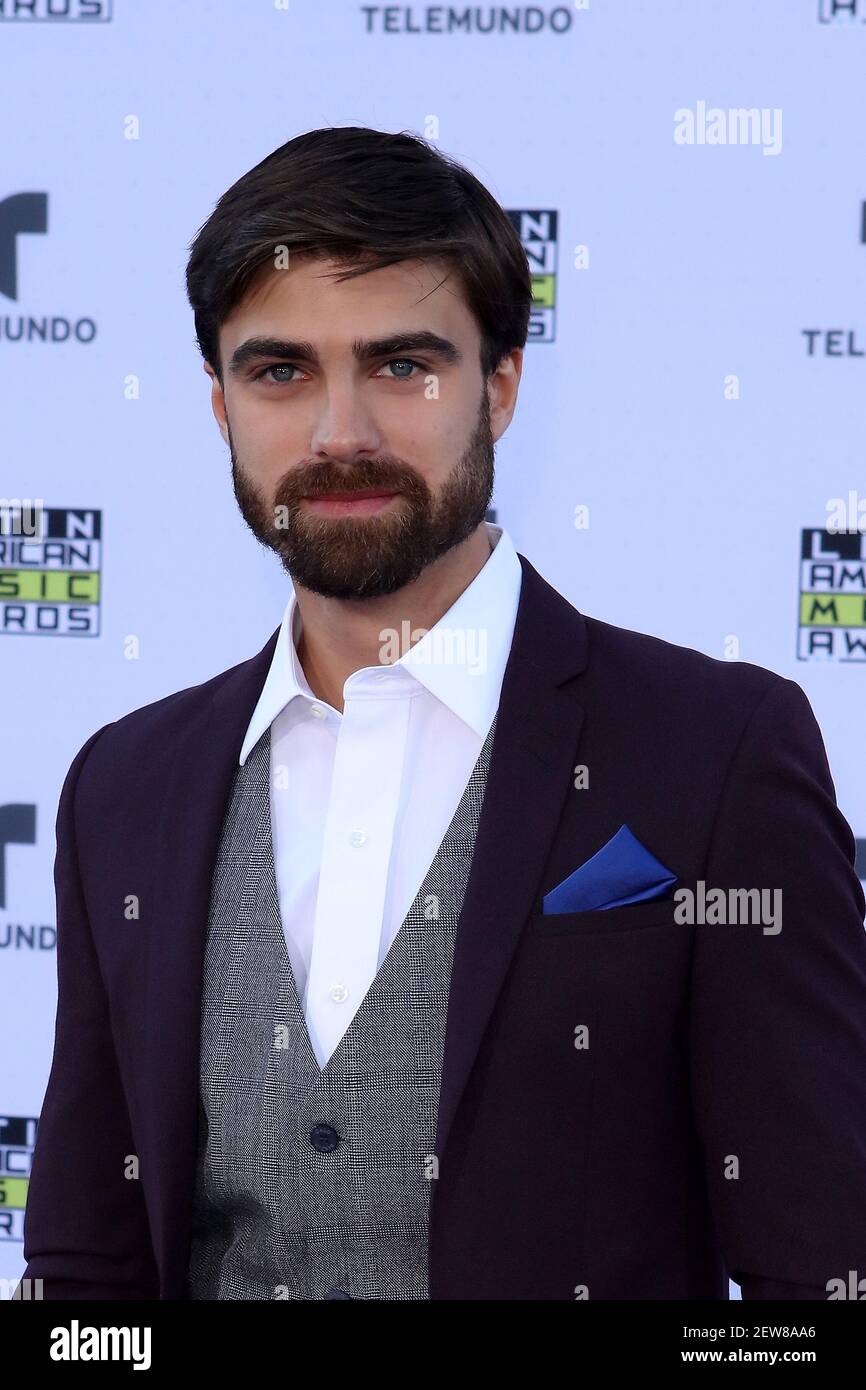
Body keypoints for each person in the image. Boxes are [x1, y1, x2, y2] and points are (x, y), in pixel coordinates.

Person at [18, 127, 866, 1301]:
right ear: (217, 404)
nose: (340, 434)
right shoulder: (125, 785)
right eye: (280, 372)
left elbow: (818, 1277)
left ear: (500, 387)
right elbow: (83, 1272)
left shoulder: (713, 753)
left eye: (401, 365)